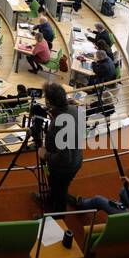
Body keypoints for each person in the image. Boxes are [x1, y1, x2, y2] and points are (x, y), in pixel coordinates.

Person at [40, 82, 83, 213]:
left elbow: (65, 158)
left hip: (62, 168)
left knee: (59, 192)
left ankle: (57, 218)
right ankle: (50, 198)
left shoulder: (58, 123)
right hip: (77, 160)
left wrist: (45, 155)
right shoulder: (75, 110)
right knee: (58, 188)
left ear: (49, 102)